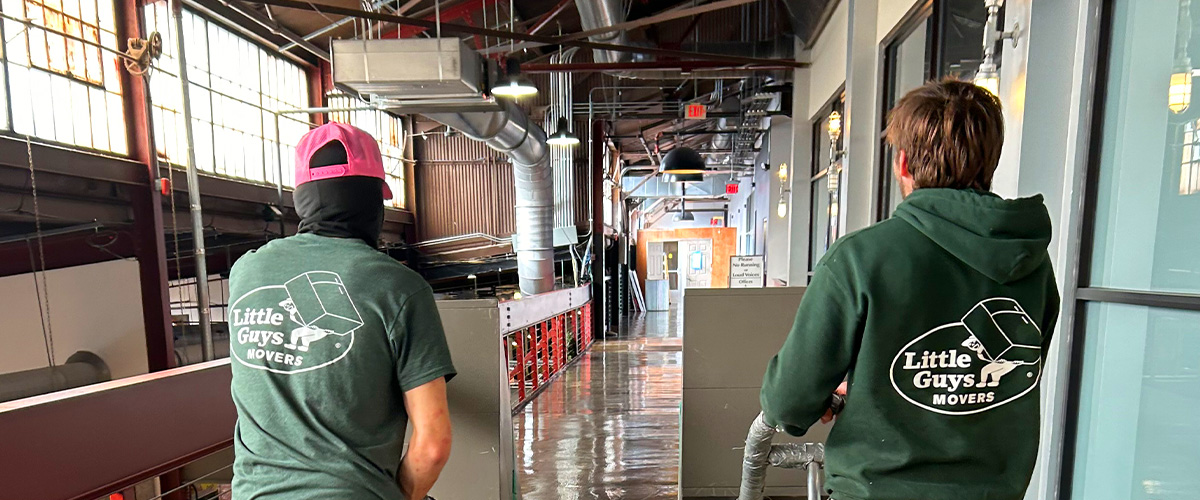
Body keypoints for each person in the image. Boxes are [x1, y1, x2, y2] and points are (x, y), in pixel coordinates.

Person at [760, 80, 1059, 500]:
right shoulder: (1032, 265)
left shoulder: (860, 259)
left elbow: (788, 402)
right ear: (990, 162)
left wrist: (833, 395)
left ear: (902, 163)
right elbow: (1008, 373)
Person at [228, 122, 456, 500]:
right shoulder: (398, 286)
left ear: (302, 197)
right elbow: (433, 445)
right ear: (372, 199)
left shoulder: (245, 272)